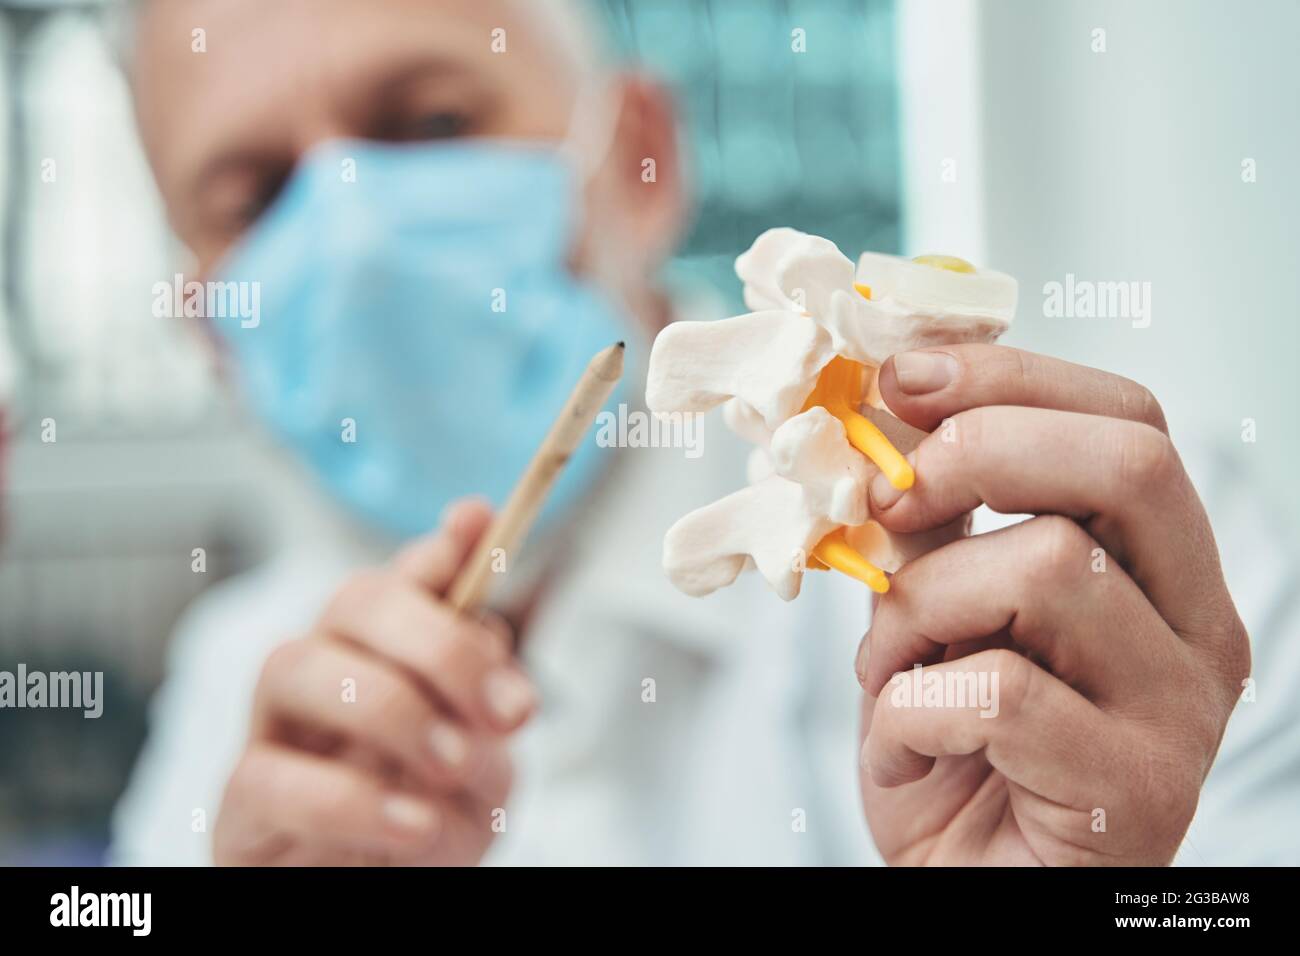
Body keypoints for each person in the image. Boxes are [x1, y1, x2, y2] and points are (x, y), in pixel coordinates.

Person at [111, 0, 1300, 866]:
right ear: (205, 321)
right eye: (257, 197)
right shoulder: (239, 696)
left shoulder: (1084, 568)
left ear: (639, 159)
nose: (357, 242)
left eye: (427, 122)